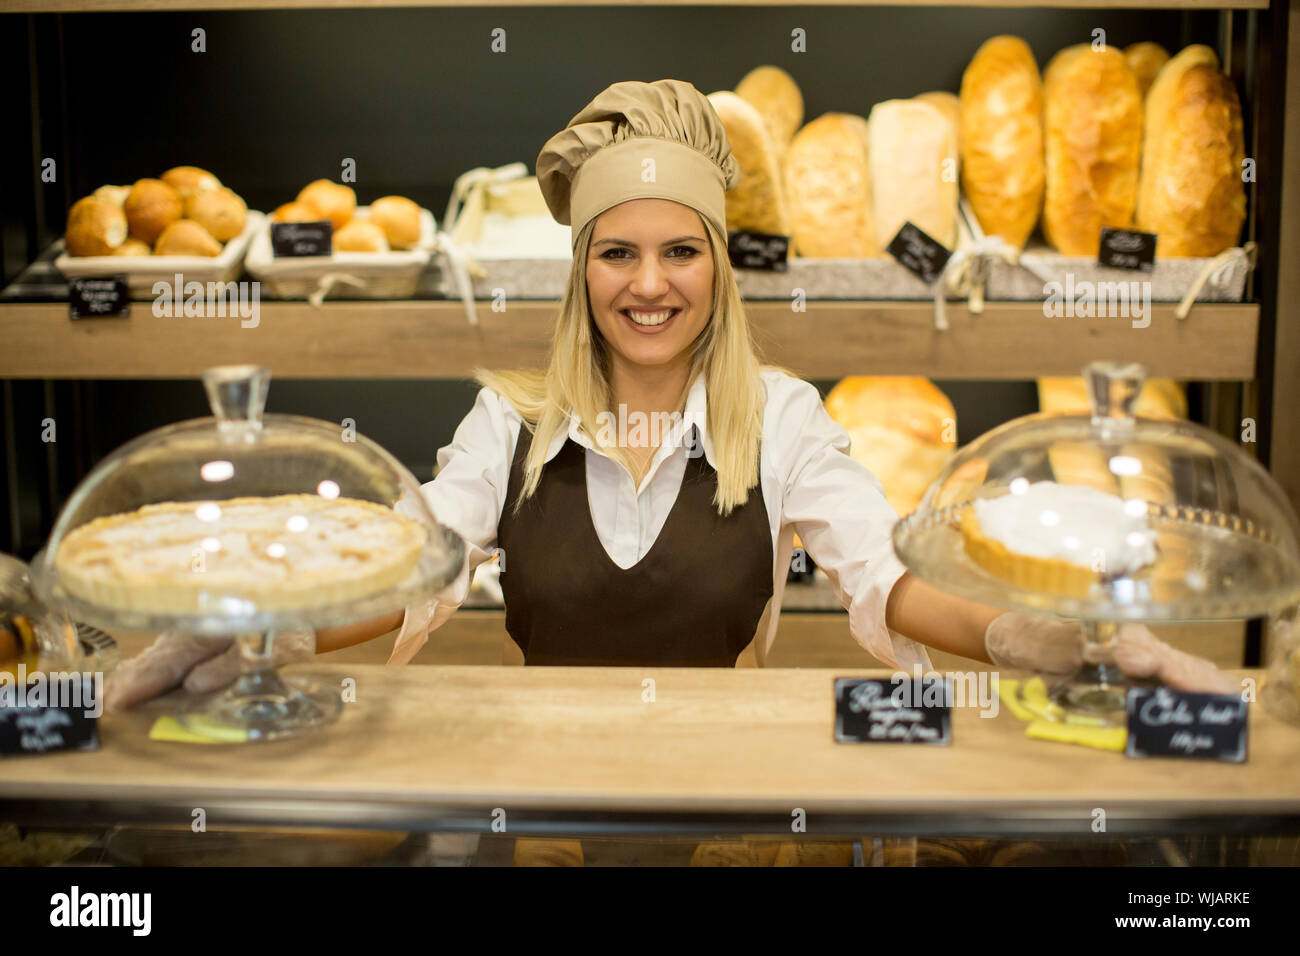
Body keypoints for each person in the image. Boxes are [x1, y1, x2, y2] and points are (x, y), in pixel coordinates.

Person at [106, 84, 1233, 864]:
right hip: (536, 815)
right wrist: (260, 631)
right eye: (616, 252)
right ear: (580, 267)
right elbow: (416, 567)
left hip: (733, 815)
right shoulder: (510, 420)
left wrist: (1037, 637)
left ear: (718, 266)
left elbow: (889, 574)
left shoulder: (780, 415)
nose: (650, 285)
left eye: (680, 249)